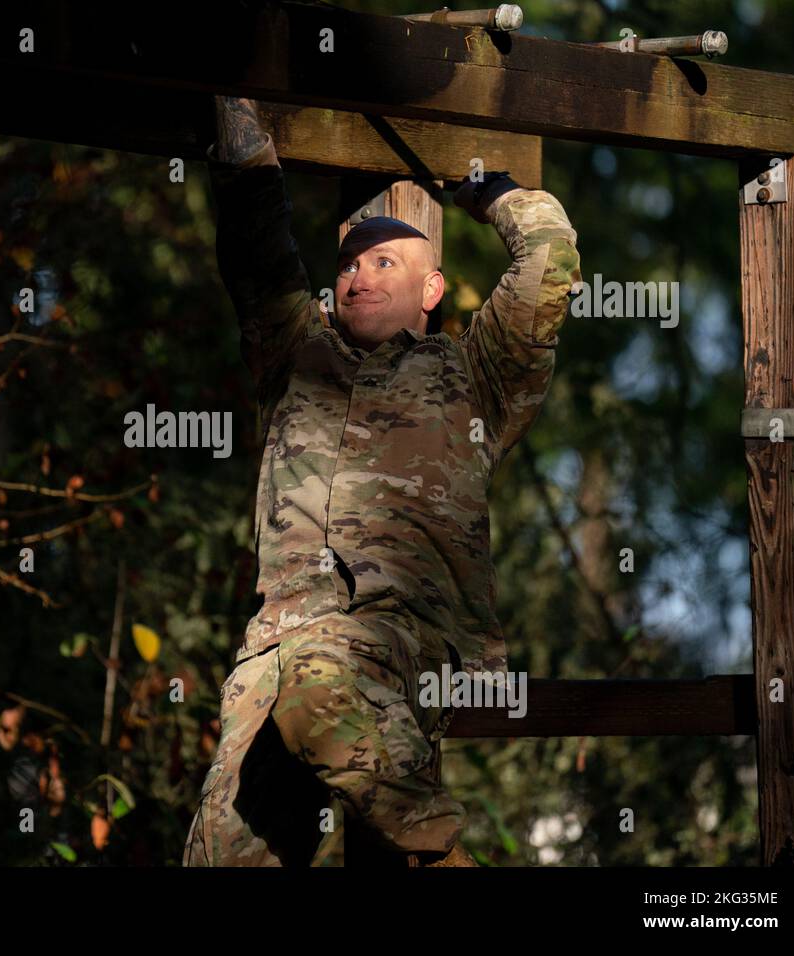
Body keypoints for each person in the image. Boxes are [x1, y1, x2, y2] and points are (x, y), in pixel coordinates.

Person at [182, 96, 581, 866]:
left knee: (322, 676)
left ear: (432, 292)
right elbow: (256, 239)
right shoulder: (296, 354)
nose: (359, 277)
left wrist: (491, 193)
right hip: (273, 644)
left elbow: (550, 259)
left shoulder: (476, 375)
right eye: (349, 265)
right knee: (227, 847)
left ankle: (441, 856)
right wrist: (233, 100)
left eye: (385, 263)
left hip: (405, 635)